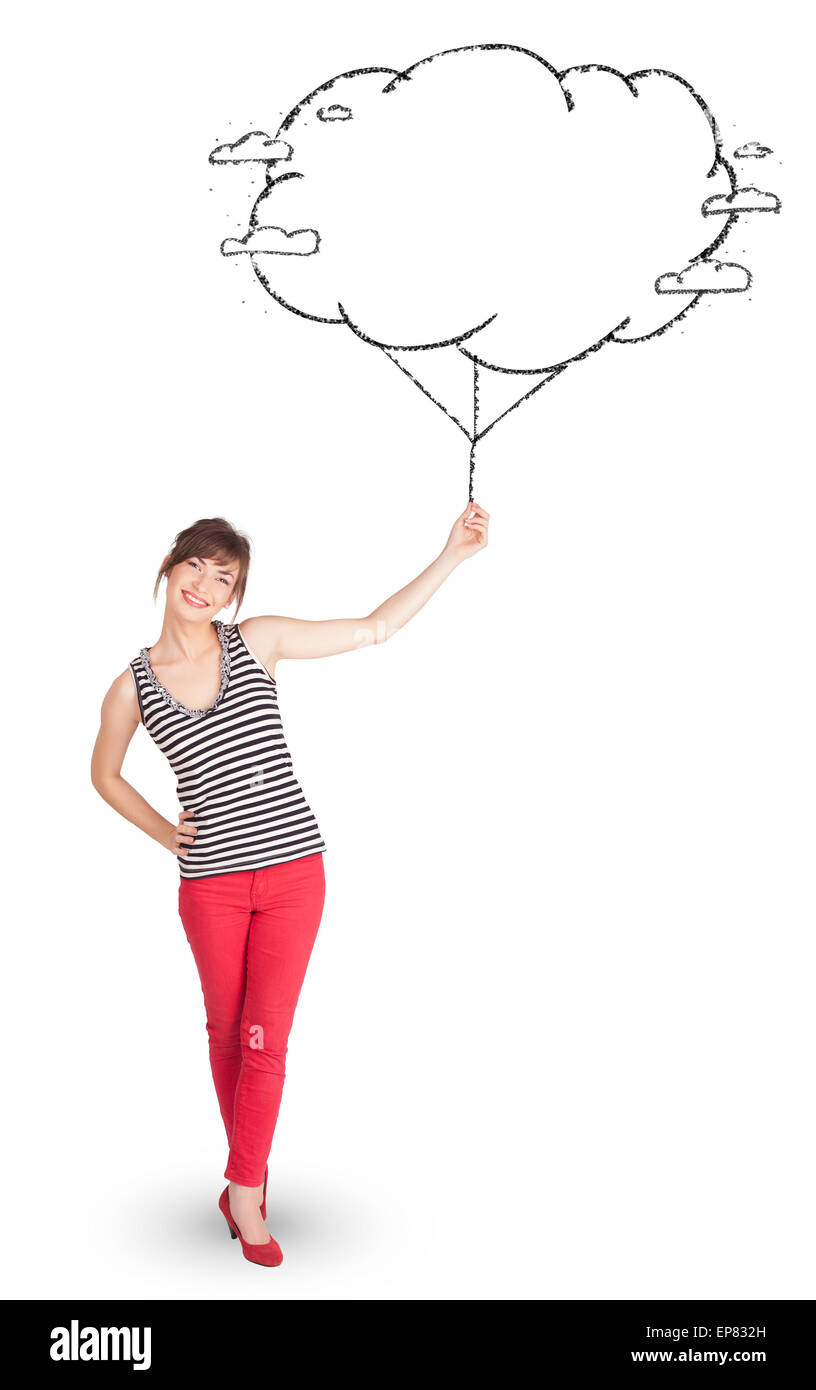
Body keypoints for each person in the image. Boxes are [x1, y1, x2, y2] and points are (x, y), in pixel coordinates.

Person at [90, 500, 490, 1266]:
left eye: (224, 575)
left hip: (293, 876)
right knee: (225, 1034)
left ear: (235, 594)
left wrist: (452, 556)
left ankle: (244, 1192)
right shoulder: (132, 685)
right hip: (208, 886)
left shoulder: (258, 641)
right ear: (169, 568)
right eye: (196, 566)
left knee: (263, 1037)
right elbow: (103, 774)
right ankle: (251, 1176)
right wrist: (163, 831)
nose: (206, 584)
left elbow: (374, 628)